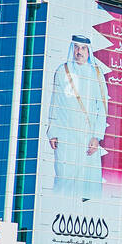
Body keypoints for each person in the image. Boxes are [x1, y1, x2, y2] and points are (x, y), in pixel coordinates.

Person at [46, 34, 109, 199]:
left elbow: (101, 107)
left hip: (88, 137)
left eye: (83, 48)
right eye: (76, 47)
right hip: (66, 136)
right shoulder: (63, 71)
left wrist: (97, 136)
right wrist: (52, 132)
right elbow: (55, 102)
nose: (79, 52)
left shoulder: (96, 73)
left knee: (88, 182)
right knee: (64, 178)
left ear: (89, 51)